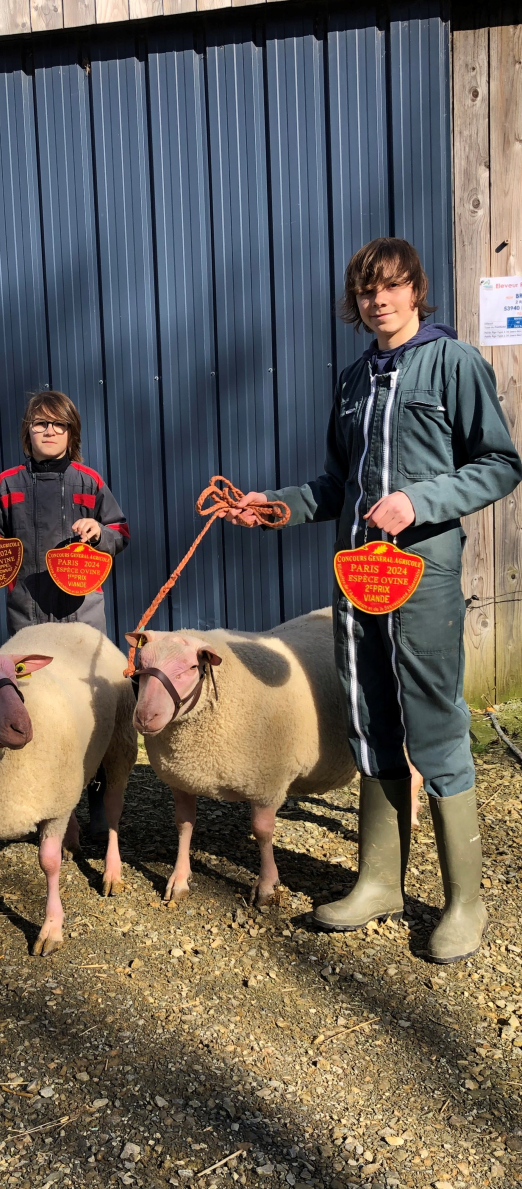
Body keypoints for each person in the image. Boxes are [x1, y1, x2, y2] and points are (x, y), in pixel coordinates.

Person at [227, 238, 522, 963]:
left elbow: (499, 463)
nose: (378, 301)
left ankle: (464, 901)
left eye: (391, 288)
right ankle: (380, 880)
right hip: (356, 575)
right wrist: (277, 507)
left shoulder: (454, 364)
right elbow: (338, 486)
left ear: (417, 291)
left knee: (435, 719)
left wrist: (420, 501)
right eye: (366, 292)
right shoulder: (356, 379)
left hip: (423, 573)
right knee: (369, 713)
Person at [0, 391, 129, 835]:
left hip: (82, 616)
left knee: (91, 704)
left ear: (71, 433)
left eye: (58, 425)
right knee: (37, 703)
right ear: (28, 432)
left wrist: (100, 531)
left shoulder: (90, 483)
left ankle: (97, 792)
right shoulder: (5, 485)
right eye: (41, 424)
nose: (49, 431)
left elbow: (121, 529)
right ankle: (51, 802)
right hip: (28, 613)